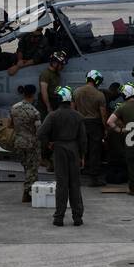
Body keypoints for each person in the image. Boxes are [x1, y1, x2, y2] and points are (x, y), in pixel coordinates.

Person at [37, 85, 87, 226]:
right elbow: (83, 139)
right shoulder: (78, 116)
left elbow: (40, 133)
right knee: (75, 184)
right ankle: (78, 217)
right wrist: (82, 155)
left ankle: (59, 218)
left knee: (62, 184)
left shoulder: (53, 115)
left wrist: (49, 143)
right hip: (74, 149)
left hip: (59, 150)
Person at [72, 70, 108, 186]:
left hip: (80, 122)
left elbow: (73, 110)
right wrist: (105, 128)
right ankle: (94, 178)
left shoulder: (76, 92)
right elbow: (103, 114)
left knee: (81, 149)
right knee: (95, 151)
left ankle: (78, 174)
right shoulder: (99, 95)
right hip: (95, 125)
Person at [7, 84, 42, 203]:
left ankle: (29, 191)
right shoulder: (34, 112)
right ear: (33, 94)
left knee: (27, 167)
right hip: (31, 143)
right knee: (33, 168)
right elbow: (39, 131)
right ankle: (28, 192)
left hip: (19, 142)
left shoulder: (14, 108)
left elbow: (9, 125)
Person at [37, 50, 67, 118]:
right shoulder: (45, 74)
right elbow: (44, 92)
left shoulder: (56, 73)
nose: (62, 67)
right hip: (45, 103)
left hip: (54, 100)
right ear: (54, 63)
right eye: (61, 64)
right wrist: (48, 107)